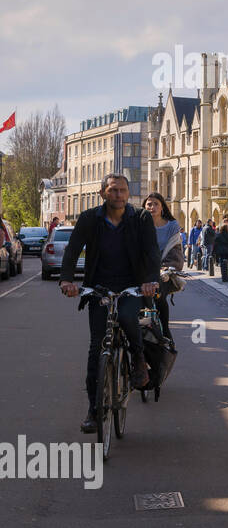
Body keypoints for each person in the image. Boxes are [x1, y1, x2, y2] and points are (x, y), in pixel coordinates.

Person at [62, 175, 159, 433]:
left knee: (128, 318)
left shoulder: (140, 219)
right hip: (99, 288)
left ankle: (138, 357)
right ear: (103, 193)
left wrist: (150, 281)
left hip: (130, 286)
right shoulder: (89, 219)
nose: (118, 195)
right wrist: (66, 280)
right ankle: (93, 411)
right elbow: (72, 250)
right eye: (113, 190)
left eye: (123, 191)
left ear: (128, 193)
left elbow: (151, 252)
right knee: (97, 349)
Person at [142, 192, 184, 341]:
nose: (152, 207)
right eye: (149, 204)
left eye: (155, 204)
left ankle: (165, 331)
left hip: (164, 270)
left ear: (162, 207)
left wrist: (168, 268)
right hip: (144, 269)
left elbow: (176, 251)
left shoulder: (171, 226)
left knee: (159, 297)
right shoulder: (139, 224)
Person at [213, 216, 228, 282]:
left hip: (221, 250)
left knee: (222, 261)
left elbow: (215, 243)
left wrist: (214, 251)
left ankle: (223, 273)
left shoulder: (218, 235)